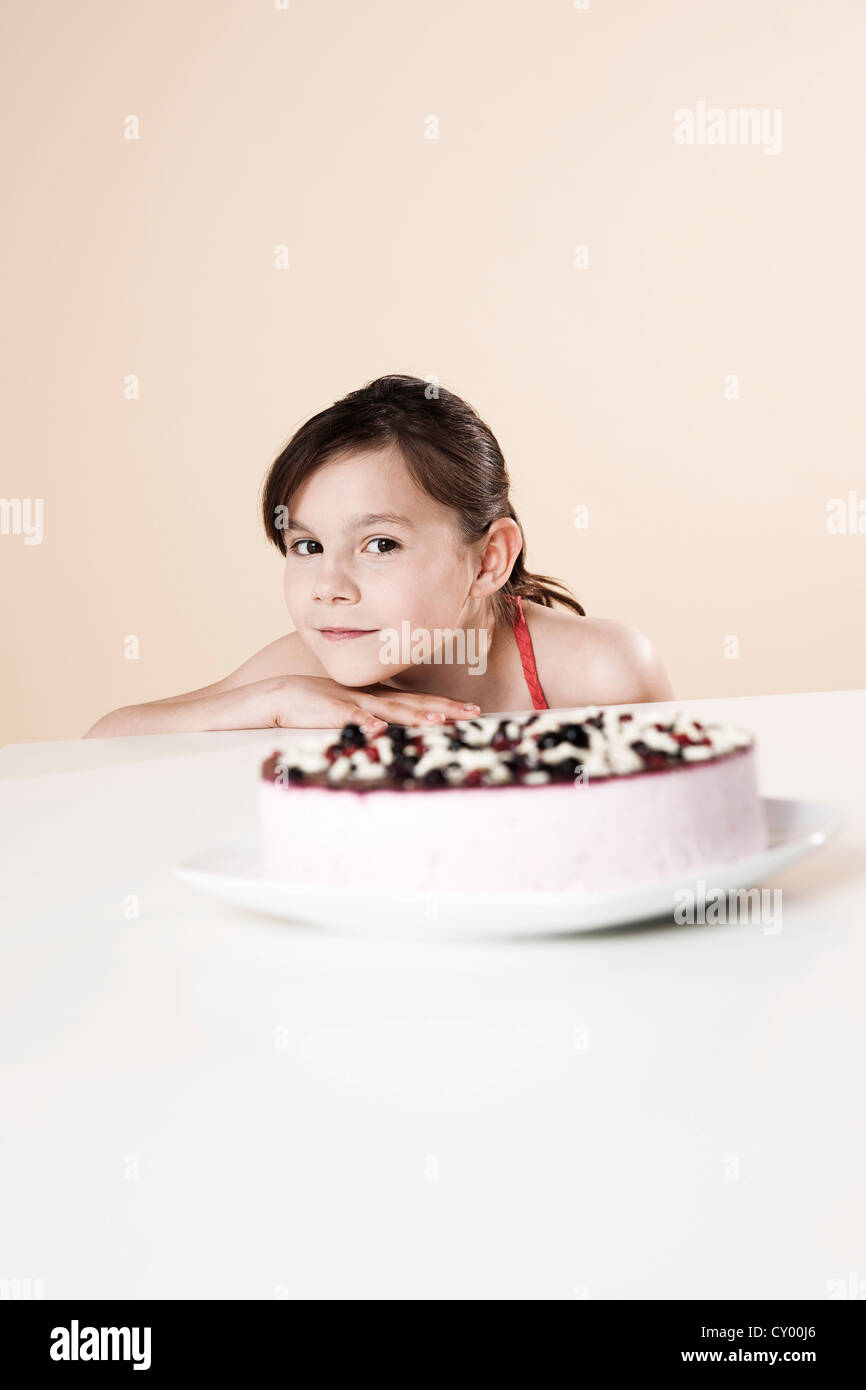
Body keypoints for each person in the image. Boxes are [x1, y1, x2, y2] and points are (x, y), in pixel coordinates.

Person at [84, 375, 673, 738]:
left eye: (380, 545)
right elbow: (106, 740)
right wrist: (272, 699)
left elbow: (675, 818)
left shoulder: (598, 670)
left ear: (489, 560)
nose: (328, 586)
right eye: (308, 546)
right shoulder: (307, 668)